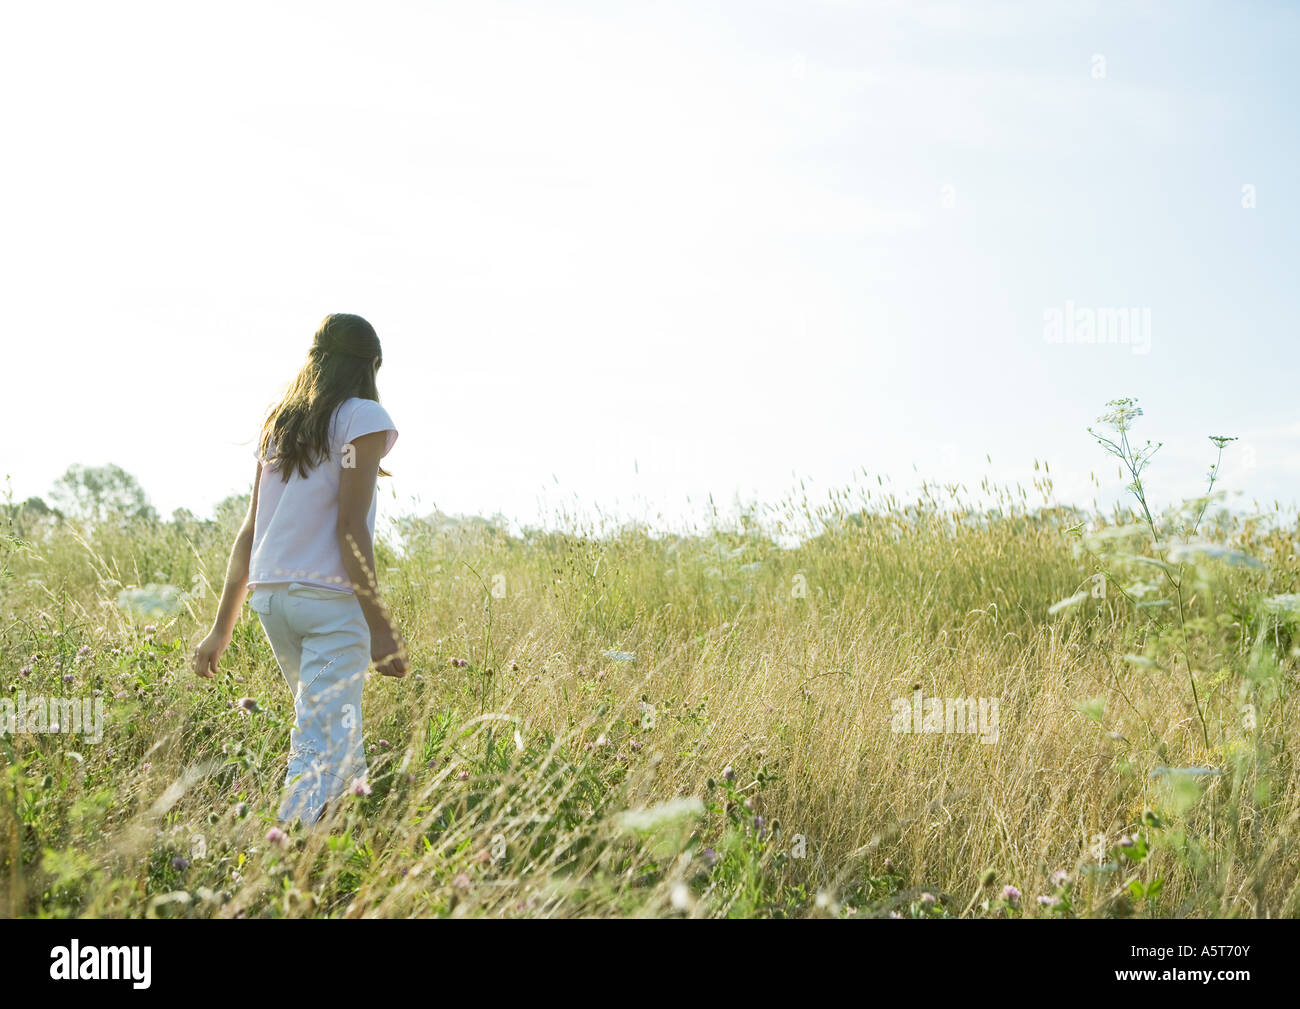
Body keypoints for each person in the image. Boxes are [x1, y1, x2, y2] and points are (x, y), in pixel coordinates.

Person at [191, 313, 408, 824]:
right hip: (328, 602)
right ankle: (286, 856)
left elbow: (249, 530)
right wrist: (382, 628)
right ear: (372, 364)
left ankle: (340, 846)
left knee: (334, 731)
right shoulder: (363, 418)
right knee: (320, 735)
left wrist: (219, 630)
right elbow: (350, 527)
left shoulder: (281, 422)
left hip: (272, 598)